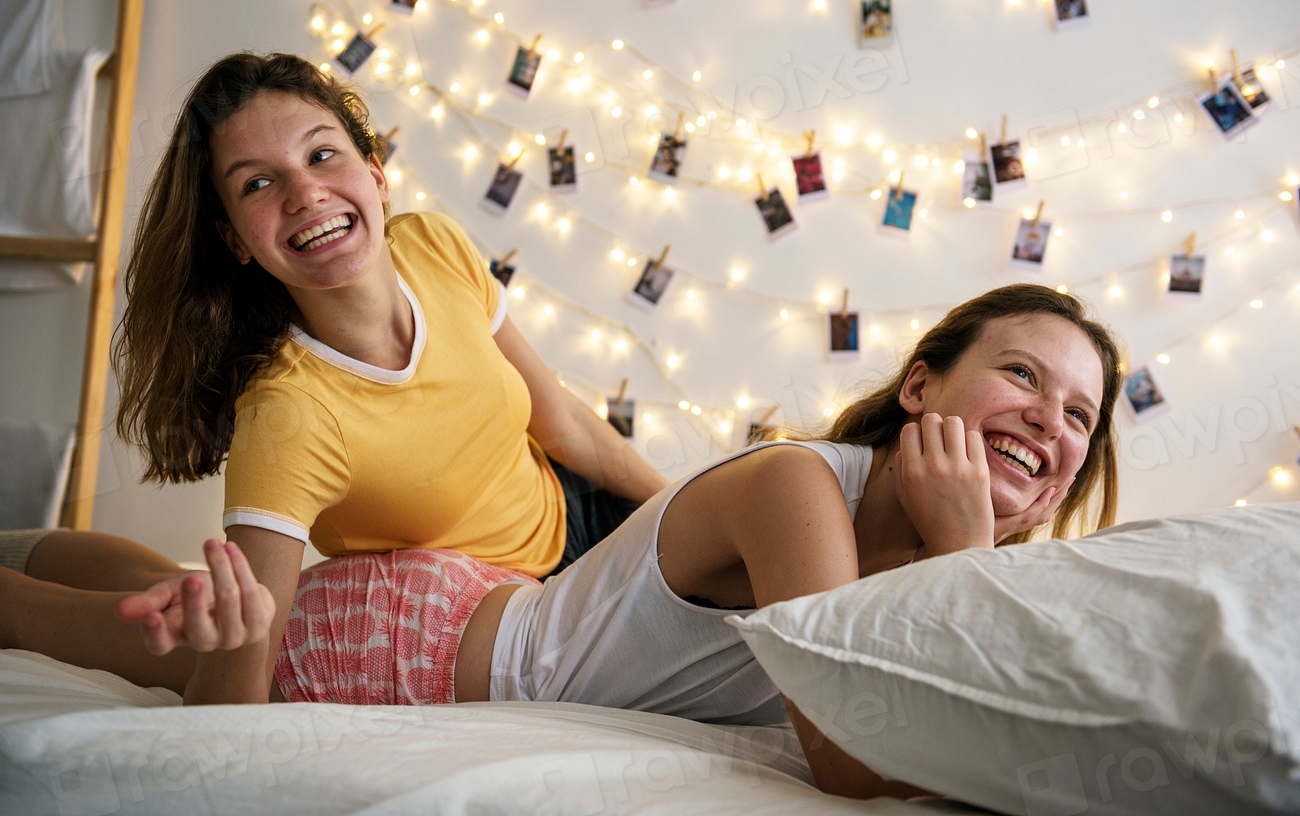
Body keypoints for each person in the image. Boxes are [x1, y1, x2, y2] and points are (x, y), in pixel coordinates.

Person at [55, 282, 1118, 800]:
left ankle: (41, 542)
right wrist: (966, 551)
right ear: (921, 385)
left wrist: (969, 553)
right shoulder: (800, 488)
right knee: (97, 631)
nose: (1048, 418)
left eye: (1079, 415)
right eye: (1022, 374)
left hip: (466, 597)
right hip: (403, 653)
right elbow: (847, 761)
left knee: (154, 586)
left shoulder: (973, 560)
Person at [0, 52, 666, 698]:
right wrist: (231, 653)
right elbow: (242, 672)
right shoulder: (288, 413)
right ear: (235, 240)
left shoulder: (435, 246)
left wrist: (669, 503)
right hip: (482, 609)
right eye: (257, 183)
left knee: (167, 586)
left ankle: (20, 548)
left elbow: (565, 423)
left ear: (376, 173)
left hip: (576, 519)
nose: (305, 193)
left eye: (321, 155)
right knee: (181, 628)